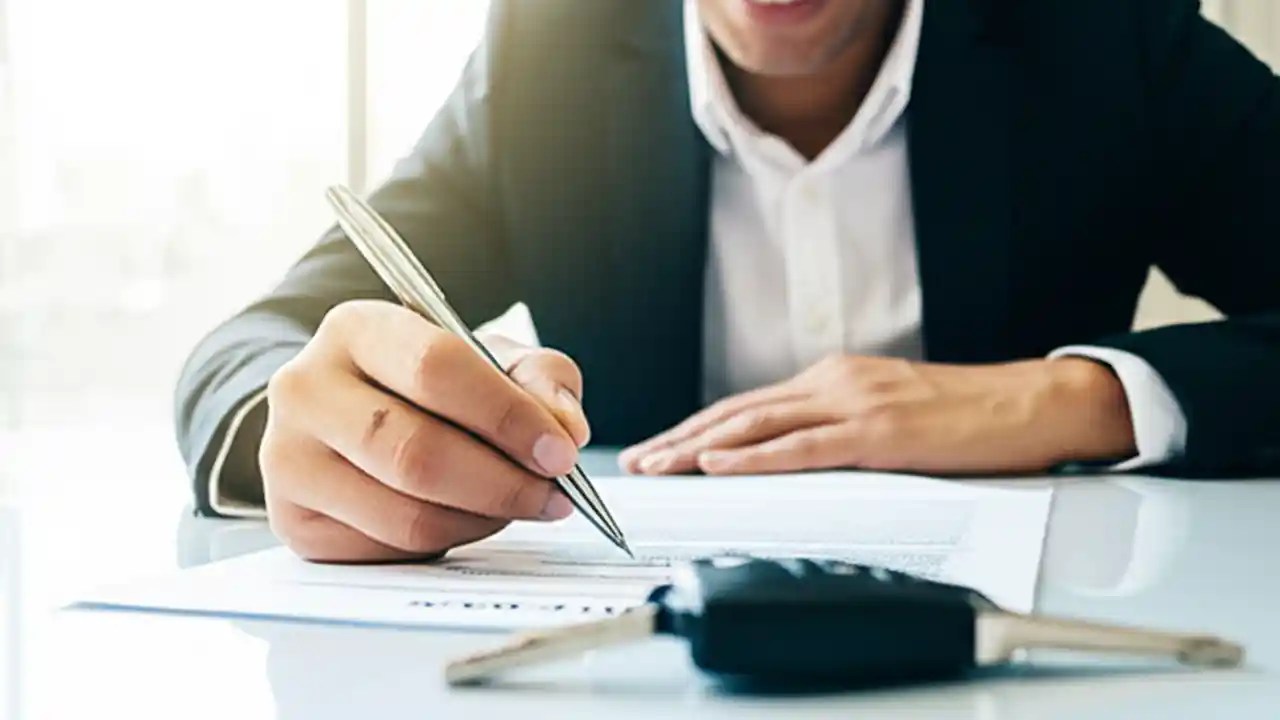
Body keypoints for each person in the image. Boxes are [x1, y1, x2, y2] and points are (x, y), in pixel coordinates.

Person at [175, 0, 1280, 562]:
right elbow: (255, 345)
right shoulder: (549, 53)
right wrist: (316, 434)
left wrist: (1063, 399)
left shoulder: (1107, 36)